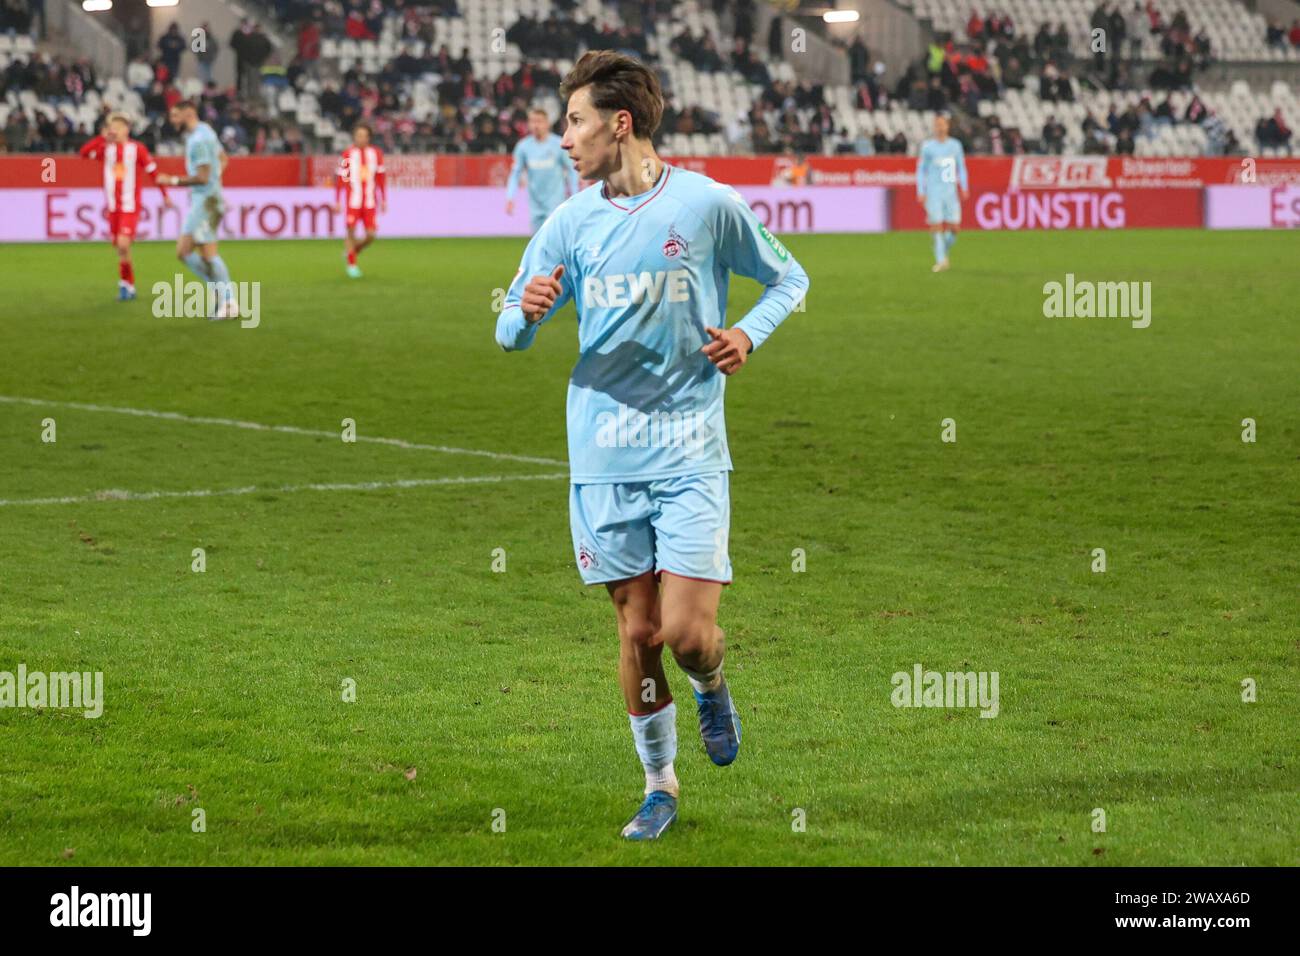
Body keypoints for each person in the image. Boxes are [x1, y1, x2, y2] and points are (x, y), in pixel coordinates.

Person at [494, 50, 809, 840]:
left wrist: (747, 331)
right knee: (637, 633)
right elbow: (508, 333)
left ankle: (711, 685)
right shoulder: (568, 223)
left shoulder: (705, 206)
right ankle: (659, 784)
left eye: (575, 121)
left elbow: (789, 278)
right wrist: (524, 312)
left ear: (620, 123)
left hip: (689, 448)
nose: (564, 138)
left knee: (688, 634)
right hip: (602, 454)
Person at [156, 100, 239, 320]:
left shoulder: (198, 140)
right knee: (200, 252)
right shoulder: (206, 131)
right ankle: (224, 297)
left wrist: (171, 180)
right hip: (209, 199)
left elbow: (202, 178)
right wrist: (215, 183)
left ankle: (228, 300)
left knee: (187, 251)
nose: (172, 121)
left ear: (188, 114)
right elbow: (223, 159)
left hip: (206, 201)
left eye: (175, 116)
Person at [78, 113, 173, 301]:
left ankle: (126, 284)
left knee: (122, 243)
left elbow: (153, 172)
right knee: (121, 248)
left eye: (117, 127)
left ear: (126, 129)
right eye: (111, 127)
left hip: (130, 206)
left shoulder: (137, 149)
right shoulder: (106, 149)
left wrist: (164, 194)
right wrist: (101, 138)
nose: (114, 130)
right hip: (113, 207)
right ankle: (127, 285)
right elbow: (83, 153)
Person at [505, 107, 580, 231]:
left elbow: (572, 170)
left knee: (553, 241)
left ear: (547, 123)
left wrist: (575, 194)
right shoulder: (523, 147)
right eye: (533, 121)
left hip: (555, 203)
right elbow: (515, 173)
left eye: (539, 121)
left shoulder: (558, 144)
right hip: (535, 205)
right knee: (537, 243)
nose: (536, 125)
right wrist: (510, 197)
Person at [916, 113, 969, 273]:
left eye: (942, 124)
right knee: (937, 226)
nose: (940, 127)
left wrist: (964, 187)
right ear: (934, 127)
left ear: (947, 126)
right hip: (934, 192)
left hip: (950, 192)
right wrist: (921, 190)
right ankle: (941, 260)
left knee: (954, 228)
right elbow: (921, 170)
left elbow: (961, 167)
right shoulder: (928, 147)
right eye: (937, 125)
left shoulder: (955, 145)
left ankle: (941, 250)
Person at [334, 122, 386, 278]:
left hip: (370, 201)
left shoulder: (376, 154)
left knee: (371, 235)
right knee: (350, 232)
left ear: (369, 137)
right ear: (354, 137)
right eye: (358, 135)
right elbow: (342, 178)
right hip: (353, 201)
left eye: (363, 135)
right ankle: (352, 265)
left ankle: (353, 251)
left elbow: (381, 178)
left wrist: (383, 199)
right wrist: (337, 200)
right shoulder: (347, 154)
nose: (360, 138)